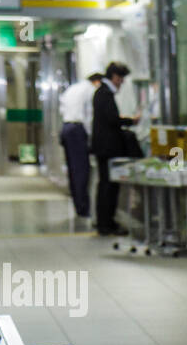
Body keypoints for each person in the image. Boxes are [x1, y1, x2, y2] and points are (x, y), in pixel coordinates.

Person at [90, 61, 140, 236]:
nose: (122, 83)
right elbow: (112, 119)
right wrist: (130, 121)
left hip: (102, 147)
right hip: (107, 148)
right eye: (121, 79)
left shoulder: (101, 92)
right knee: (109, 186)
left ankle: (104, 221)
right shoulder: (105, 94)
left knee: (105, 185)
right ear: (115, 77)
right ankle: (106, 223)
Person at [59, 72, 103, 221]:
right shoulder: (90, 90)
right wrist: (92, 137)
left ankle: (78, 206)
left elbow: (62, 108)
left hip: (66, 128)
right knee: (81, 171)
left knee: (73, 170)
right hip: (77, 130)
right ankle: (83, 209)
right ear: (97, 82)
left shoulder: (73, 88)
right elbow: (88, 115)